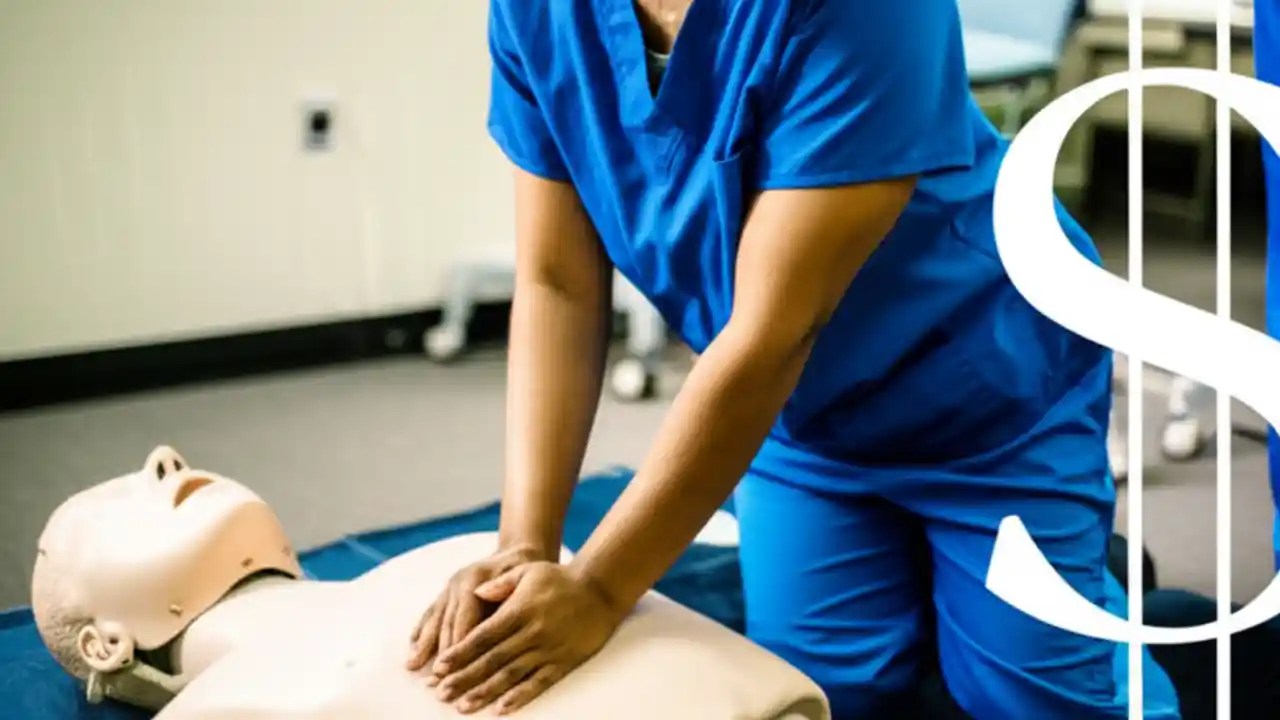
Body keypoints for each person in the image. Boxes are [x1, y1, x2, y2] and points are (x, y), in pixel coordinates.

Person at [403, 1, 1182, 718]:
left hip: (985, 397)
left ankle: (1097, 603)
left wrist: (599, 590)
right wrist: (524, 549)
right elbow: (558, 283)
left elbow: (773, 332)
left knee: (1035, 698)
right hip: (798, 424)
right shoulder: (540, 11)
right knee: (818, 695)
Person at [29, 447, 828, 719]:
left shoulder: (476, 561)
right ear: (104, 645)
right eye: (116, 503)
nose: (163, 461)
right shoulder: (220, 709)